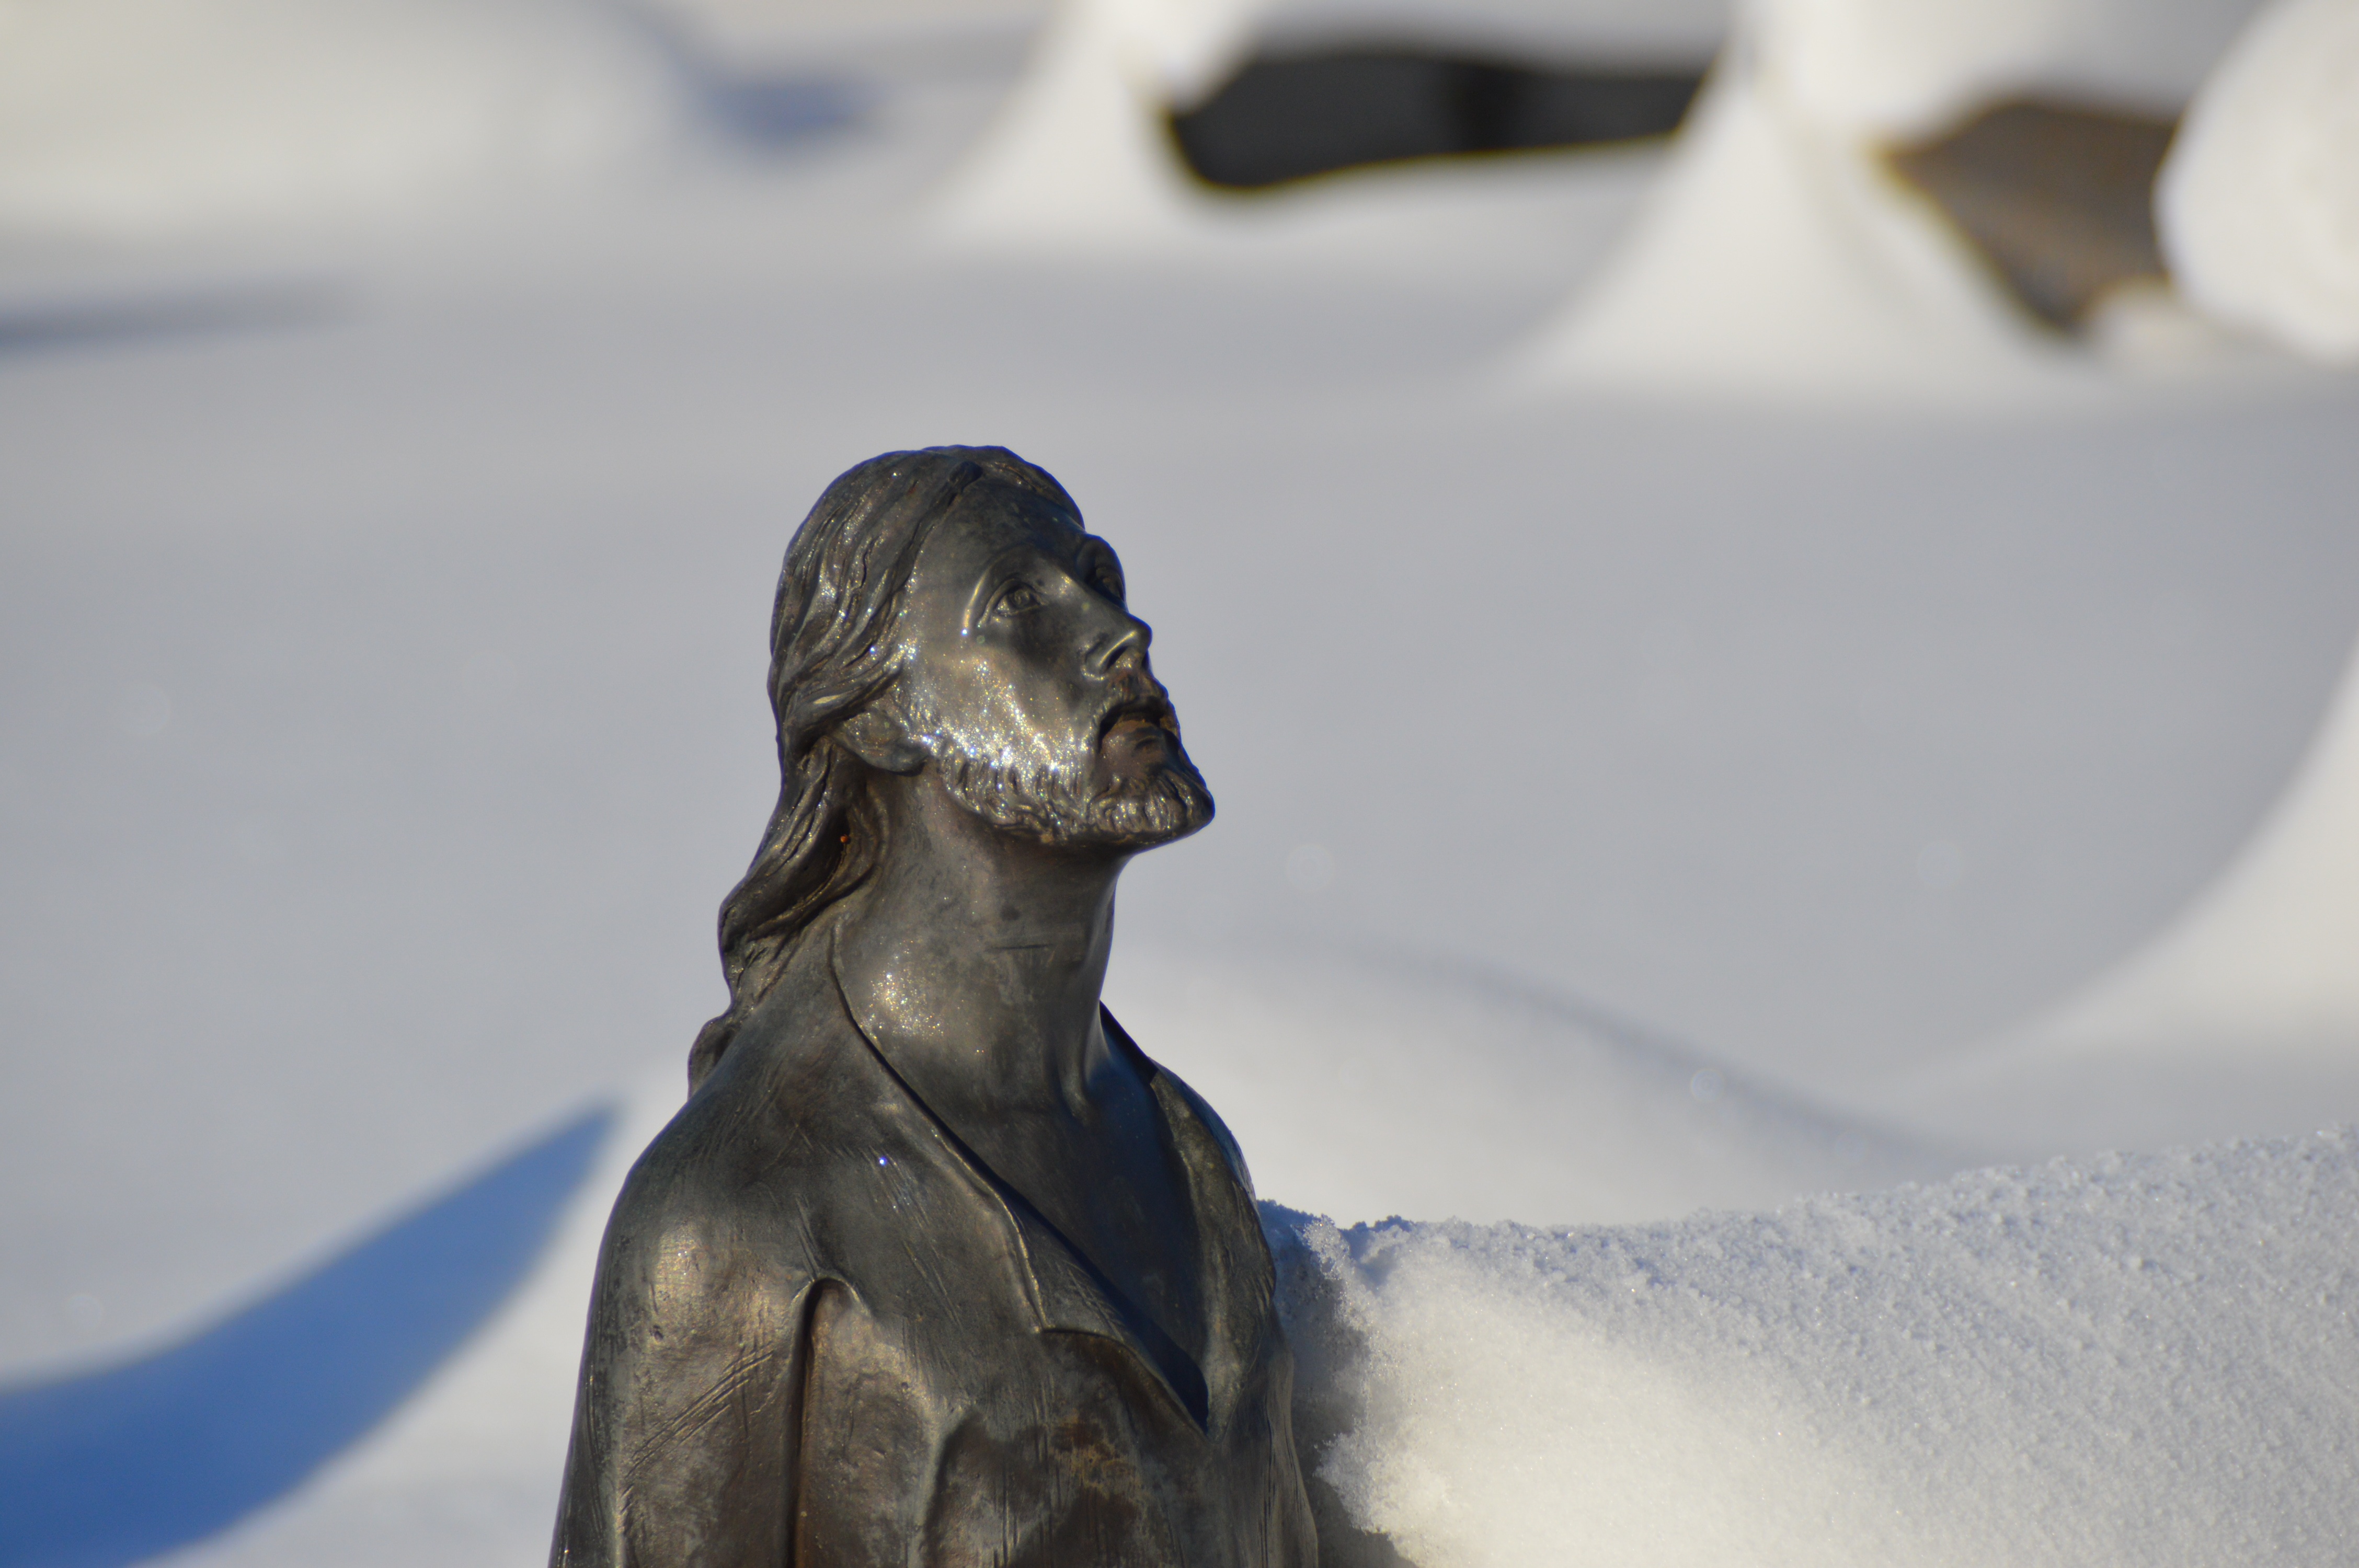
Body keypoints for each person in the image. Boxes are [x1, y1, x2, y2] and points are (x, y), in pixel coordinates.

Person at [550, 446, 1319, 1568]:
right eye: (1018, 603)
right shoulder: (736, 1213)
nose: (1120, 631)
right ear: (880, 718)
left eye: (1099, 576)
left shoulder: (1193, 1154)